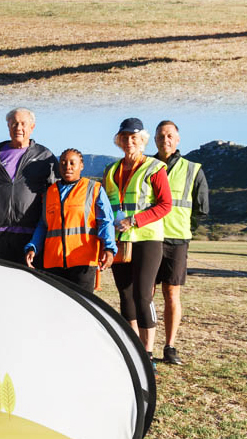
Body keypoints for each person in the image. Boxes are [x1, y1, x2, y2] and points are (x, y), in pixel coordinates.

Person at [104, 118, 172, 360]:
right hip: (121, 240)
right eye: (124, 137)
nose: (129, 141)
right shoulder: (111, 170)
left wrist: (135, 220)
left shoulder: (154, 167)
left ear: (142, 140)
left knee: (143, 295)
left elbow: (165, 205)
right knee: (125, 294)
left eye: (134, 137)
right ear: (119, 141)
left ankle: (148, 353)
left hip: (147, 238)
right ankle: (133, 350)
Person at [153, 120, 209, 365]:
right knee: (146, 294)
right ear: (154, 139)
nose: (165, 139)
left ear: (177, 140)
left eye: (170, 136)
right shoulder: (147, 166)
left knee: (171, 293)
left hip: (177, 239)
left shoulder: (193, 169)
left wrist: (186, 229)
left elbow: (201, 209)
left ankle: (170, 346)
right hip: (150, 237)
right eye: (161, 135)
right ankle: (145, 347)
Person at [25, 148, 116, 292]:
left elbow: (105, 221)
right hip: (54, 263)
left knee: (82, 309)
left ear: (81, 166)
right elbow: (43, 225)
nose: (67, 166)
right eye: (63, 163)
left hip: (83, 262)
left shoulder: (94, 189)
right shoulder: (49, 192)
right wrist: (33, 247)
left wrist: (109, 248)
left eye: (72, 163)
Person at [0, 108, 57, 265]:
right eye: (14, 123)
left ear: (32, 127)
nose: (18, 128)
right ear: (8, 126)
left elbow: (56, 191)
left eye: (23, 123)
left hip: (31, 234)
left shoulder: (44, 156)